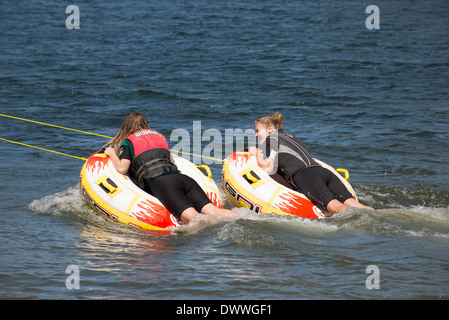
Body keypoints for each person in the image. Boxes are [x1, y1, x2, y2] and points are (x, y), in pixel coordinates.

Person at [104, 113, 238, 224]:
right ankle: (240, 219)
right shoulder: (160, 137)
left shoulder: (128, 141)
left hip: (164, 184)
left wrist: (111, 153)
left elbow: (122, 168)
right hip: (184, 179)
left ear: (127, 127)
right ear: (146, 125)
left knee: (194, 219)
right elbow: (174, 164)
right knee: (213, 211)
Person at [248, 112, 374, 215]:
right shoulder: (292, 137)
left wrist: (256, 153)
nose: (255, 135)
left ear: (270, 129)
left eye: (258, 130)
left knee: (337, 208)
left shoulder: (271, 140)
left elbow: (268, 167)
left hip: (307, 177)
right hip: (324, 172)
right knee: (356, 205)